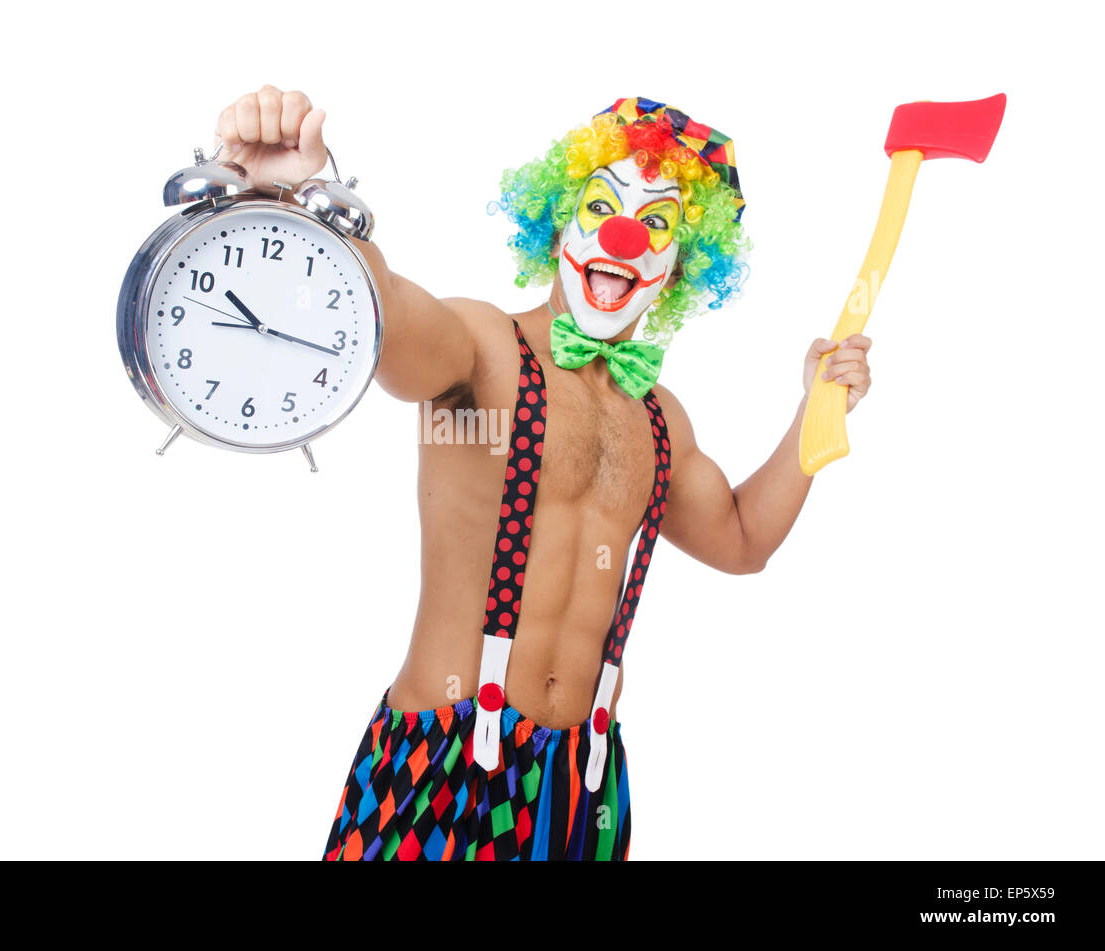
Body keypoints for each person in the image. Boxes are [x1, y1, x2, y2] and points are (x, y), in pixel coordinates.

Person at [213, 86, 873, 861]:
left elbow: (742, 538)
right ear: (559, 221)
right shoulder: (484, 347)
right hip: (443, 763)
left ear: (681, 266)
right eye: (602, 207)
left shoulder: (661, 417)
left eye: (658, 223)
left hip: (580, 787)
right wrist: (301, 200)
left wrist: (816, 407)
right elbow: (380, 312)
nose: (624, 235)